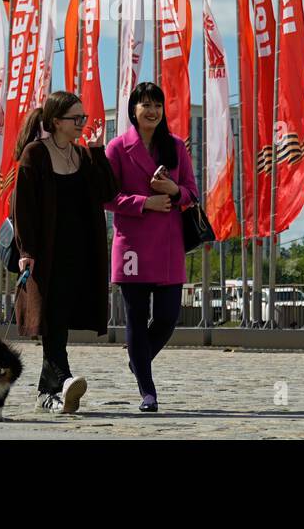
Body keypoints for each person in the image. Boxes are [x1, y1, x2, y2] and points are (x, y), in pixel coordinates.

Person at [12, 90, 118, 414]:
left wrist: (98, 151)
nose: (82, 124)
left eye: (83, 118)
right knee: (52, 319)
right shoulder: (35, 154)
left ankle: (48, 392)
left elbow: (108, 192)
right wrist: (26, 250)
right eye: (76, 118)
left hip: (81, 256)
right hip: (46, 256)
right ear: (56, 121)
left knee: (60, 321)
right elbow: (23, 209)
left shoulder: (83, 155)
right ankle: (64, 380)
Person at [105, 82, 200, 411]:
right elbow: (107, 197)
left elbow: (191, 192)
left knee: (168, 318)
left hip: (169, 244)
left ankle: (138, 358)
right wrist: (145, 202)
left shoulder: (176, 146)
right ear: (133, 109)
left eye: (157, 104)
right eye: (145, 104)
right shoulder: (117, 148)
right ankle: (148, 391)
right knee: (135, 317)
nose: (152, 110)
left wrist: (174, 190)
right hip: (132, 245)